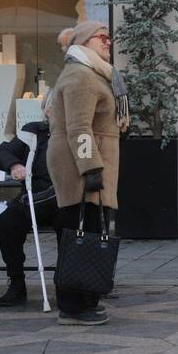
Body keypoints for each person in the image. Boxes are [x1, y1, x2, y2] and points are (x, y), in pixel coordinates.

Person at [45, 20, 128, 326]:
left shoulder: (93, 74)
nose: (108, 42)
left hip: (88, 163)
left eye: (109, 37)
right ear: (83, 43)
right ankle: (73, 306)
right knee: (77, 233)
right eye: (101, 37)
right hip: (80, 165)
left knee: (89, 231)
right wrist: (90, 168)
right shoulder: (80, 76)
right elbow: (79, 129)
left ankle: (85, 300)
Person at [0, 120, 56, 307]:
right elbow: (0, 153)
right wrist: (14, 165)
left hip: (63, 198)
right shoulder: (35, 131)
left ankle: (66, 284)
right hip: (33, 198)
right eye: (51, 107)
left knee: (70, 223)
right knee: (6, 222)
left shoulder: (75, 129)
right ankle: (16, 283)